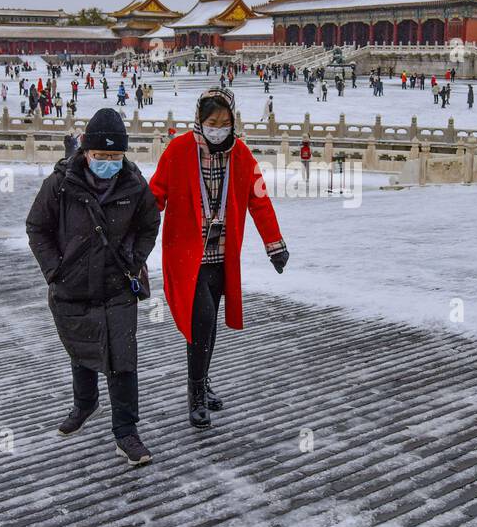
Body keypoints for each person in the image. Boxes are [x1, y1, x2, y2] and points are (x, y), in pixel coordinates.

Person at [25, 109, 160, 466]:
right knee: (81, 345)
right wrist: (54, 270)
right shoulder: (61, 183)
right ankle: (85, 404)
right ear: (86, 151)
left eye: (115, 157)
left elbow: (150, 224)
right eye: (101, 156)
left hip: (117, 284)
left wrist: (134, 257)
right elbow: (37, 226)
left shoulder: (133, 184)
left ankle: (126, 432)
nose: (107, 163)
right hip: (72, 282)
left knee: (121, 358)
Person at [149, 88, 288, 429]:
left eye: (226, 123)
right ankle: (195, 393)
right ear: (199, 120)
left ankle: (203, 380)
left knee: (207, 328)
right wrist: (132, 234)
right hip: (186, 255)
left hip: (221, 255)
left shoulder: (240, 153)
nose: (219, 128)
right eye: (212, 122)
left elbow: (259, 200)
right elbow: (156, 194)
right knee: (202, 320)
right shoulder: (179, 150)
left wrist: (275, 245)